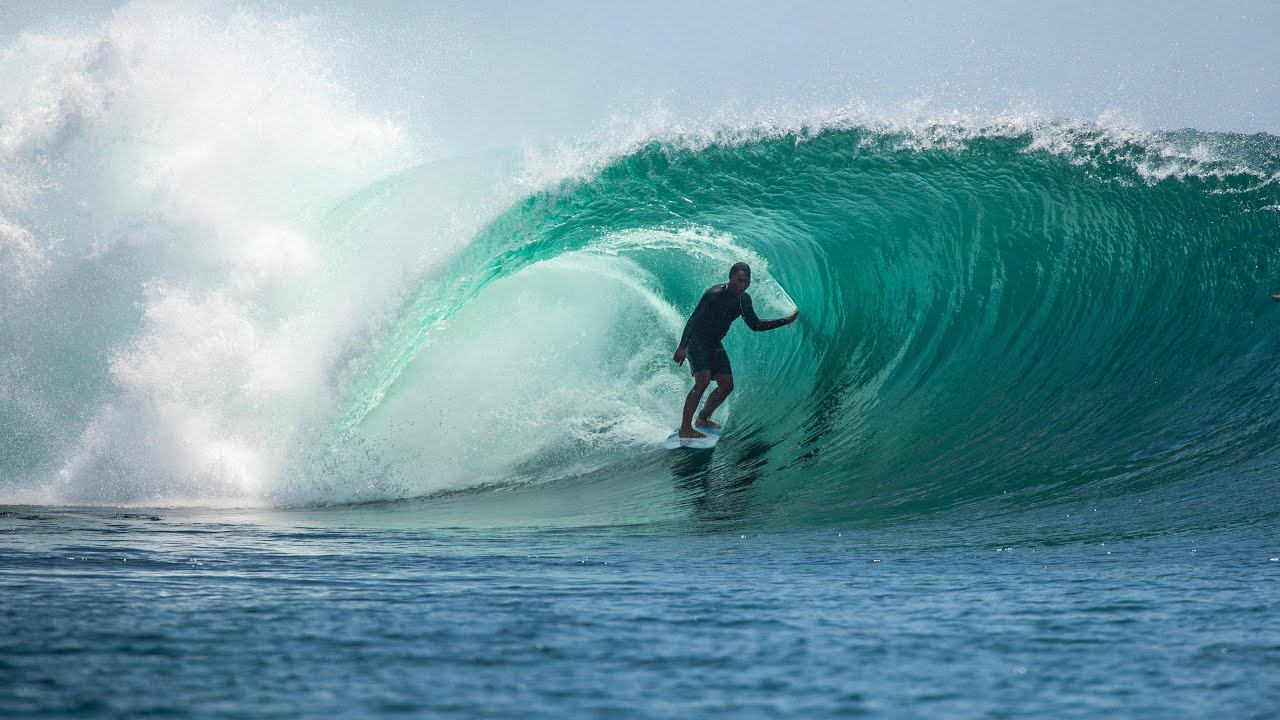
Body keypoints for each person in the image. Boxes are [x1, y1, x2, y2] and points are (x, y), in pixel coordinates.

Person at [673, 262, 799, 439]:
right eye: (739, 280)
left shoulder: (744, 300)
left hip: (715, 343)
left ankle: (703, 418)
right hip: (697, 341)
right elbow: (694, 319)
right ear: (731, 277)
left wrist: (785, 321)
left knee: (727, 385)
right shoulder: (714, 294)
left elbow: (755, 325)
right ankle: (685, 428)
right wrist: (682, 346)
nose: (743, 285)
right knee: (703, 381)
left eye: (746, 281)